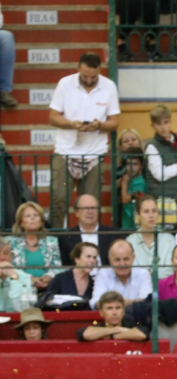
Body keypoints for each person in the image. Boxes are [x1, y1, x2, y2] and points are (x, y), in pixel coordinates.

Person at [48, 53, 120, 229]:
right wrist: (72, 124)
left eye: (93, 77)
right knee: (59, 200)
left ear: (100, 71)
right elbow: (53, 117)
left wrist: (98, 126)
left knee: (90, 206)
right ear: (78, 68)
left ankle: (87, 243)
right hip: (65, 151)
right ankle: (56, 241)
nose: (89, 80)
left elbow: (115, 121)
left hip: (94, 154)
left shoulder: (109, 86)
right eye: (85, 76)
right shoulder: (65, 83)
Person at [144, 104, 177, 230]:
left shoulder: (176, 142)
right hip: (163, 202)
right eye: (158, 124)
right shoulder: (152, 146)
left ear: (170, 122)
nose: (163, 127)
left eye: (165, 122)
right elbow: (159, 174)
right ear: (152, 126)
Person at [9, 202, 61, 294]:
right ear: (21, 223)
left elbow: (57, 267)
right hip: (20, 289)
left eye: (36, 215)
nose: (32, 218)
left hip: (47, 290)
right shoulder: (11, 243)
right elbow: (10, 270)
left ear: (41, 221)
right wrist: (29, 279)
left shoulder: (52, 242)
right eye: (28, 216)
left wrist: (48, 278)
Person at [56, 195, 113, 268]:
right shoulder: (66, 237)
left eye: (93, 208)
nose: (90, 212)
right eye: (86, 208)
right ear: (76, 212)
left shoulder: (112, 234)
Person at [126, 198, 176, 279]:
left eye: (154, 211)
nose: (151, 216)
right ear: (138, 215)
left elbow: (170, 271)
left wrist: (149, 276)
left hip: (163, 288)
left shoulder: (169, 239)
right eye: (146, 211)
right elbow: (131, 272)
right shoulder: (130, 241)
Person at [43, 241, 97, 308]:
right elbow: (48, 303)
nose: (92, 261)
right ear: (77, 259)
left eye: (94, 257)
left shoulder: (94, 284)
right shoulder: (59, 279)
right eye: (88, 256)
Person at [78, 291, 148, 342]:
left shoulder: (131, 327)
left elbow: (142, 334)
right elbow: (85, 334)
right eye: (109, 308)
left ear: (123, 311)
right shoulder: (98, 328)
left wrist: (112, 336)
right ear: (101, 312)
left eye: (118, 308)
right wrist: (117, 329)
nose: (114, 313)